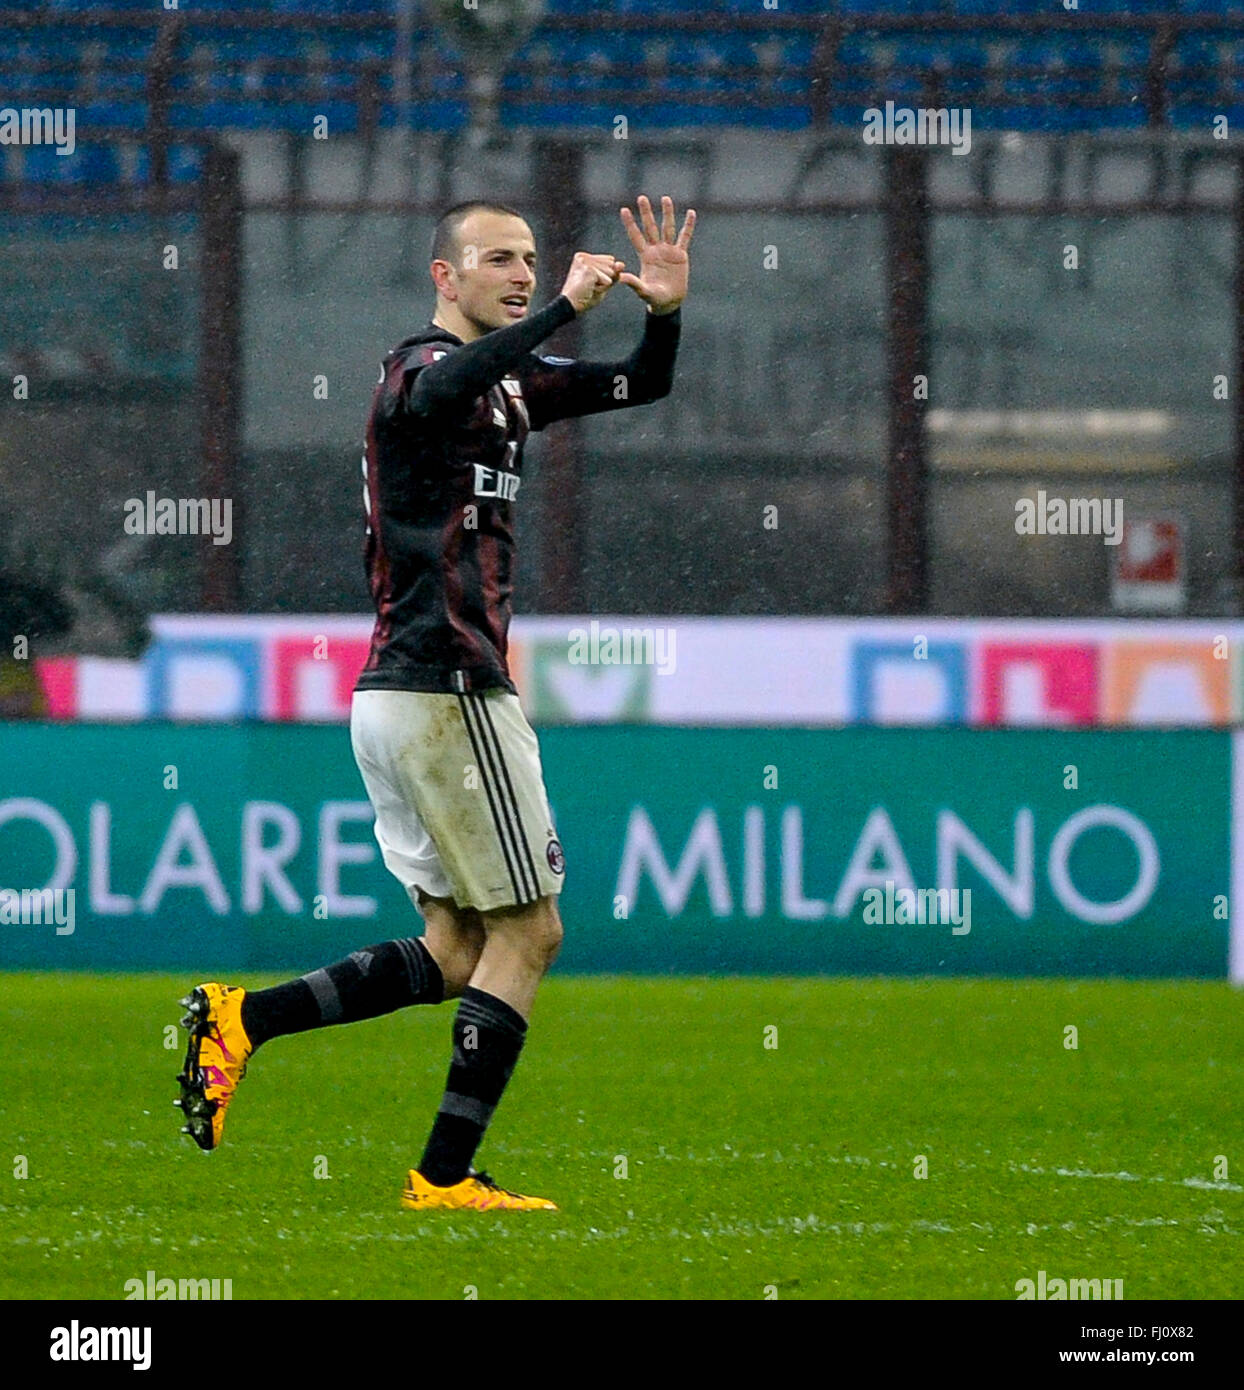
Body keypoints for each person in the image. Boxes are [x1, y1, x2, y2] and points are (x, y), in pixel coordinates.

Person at [175, 194, 696, 1212]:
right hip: (447, 687)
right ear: (443, 278)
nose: (518, 271)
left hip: (403, 693)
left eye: (530, 257)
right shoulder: (418, 369)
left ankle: (241, 1021)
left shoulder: (506, 388)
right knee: (532, 932)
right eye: (496, 258)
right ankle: (443, 1177)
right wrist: (557, 309)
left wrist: (663, 312)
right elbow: (441, 388)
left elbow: (641, 383)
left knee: (460, 948)